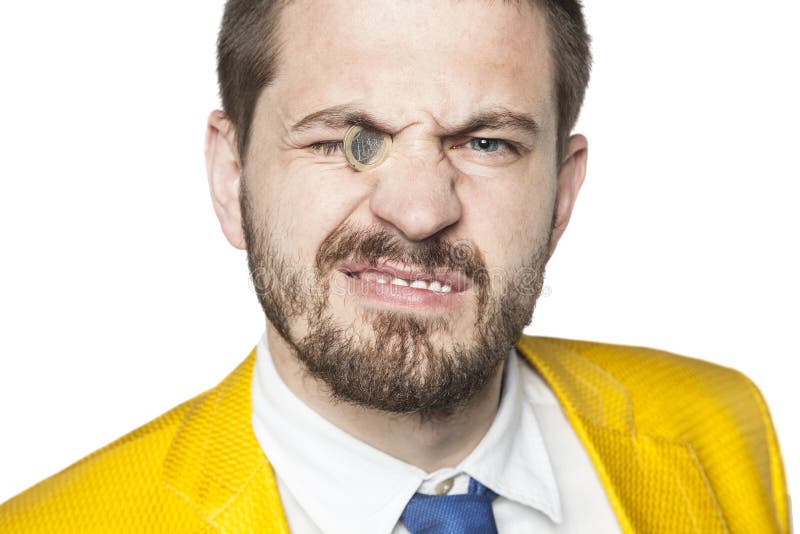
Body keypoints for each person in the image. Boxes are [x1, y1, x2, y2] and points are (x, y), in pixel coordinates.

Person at [0, 0, 791, 532]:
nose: (419, 212)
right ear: (231, 176)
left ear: (561, 192)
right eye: (348, 140)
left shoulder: (723, 423)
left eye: (486, 143)